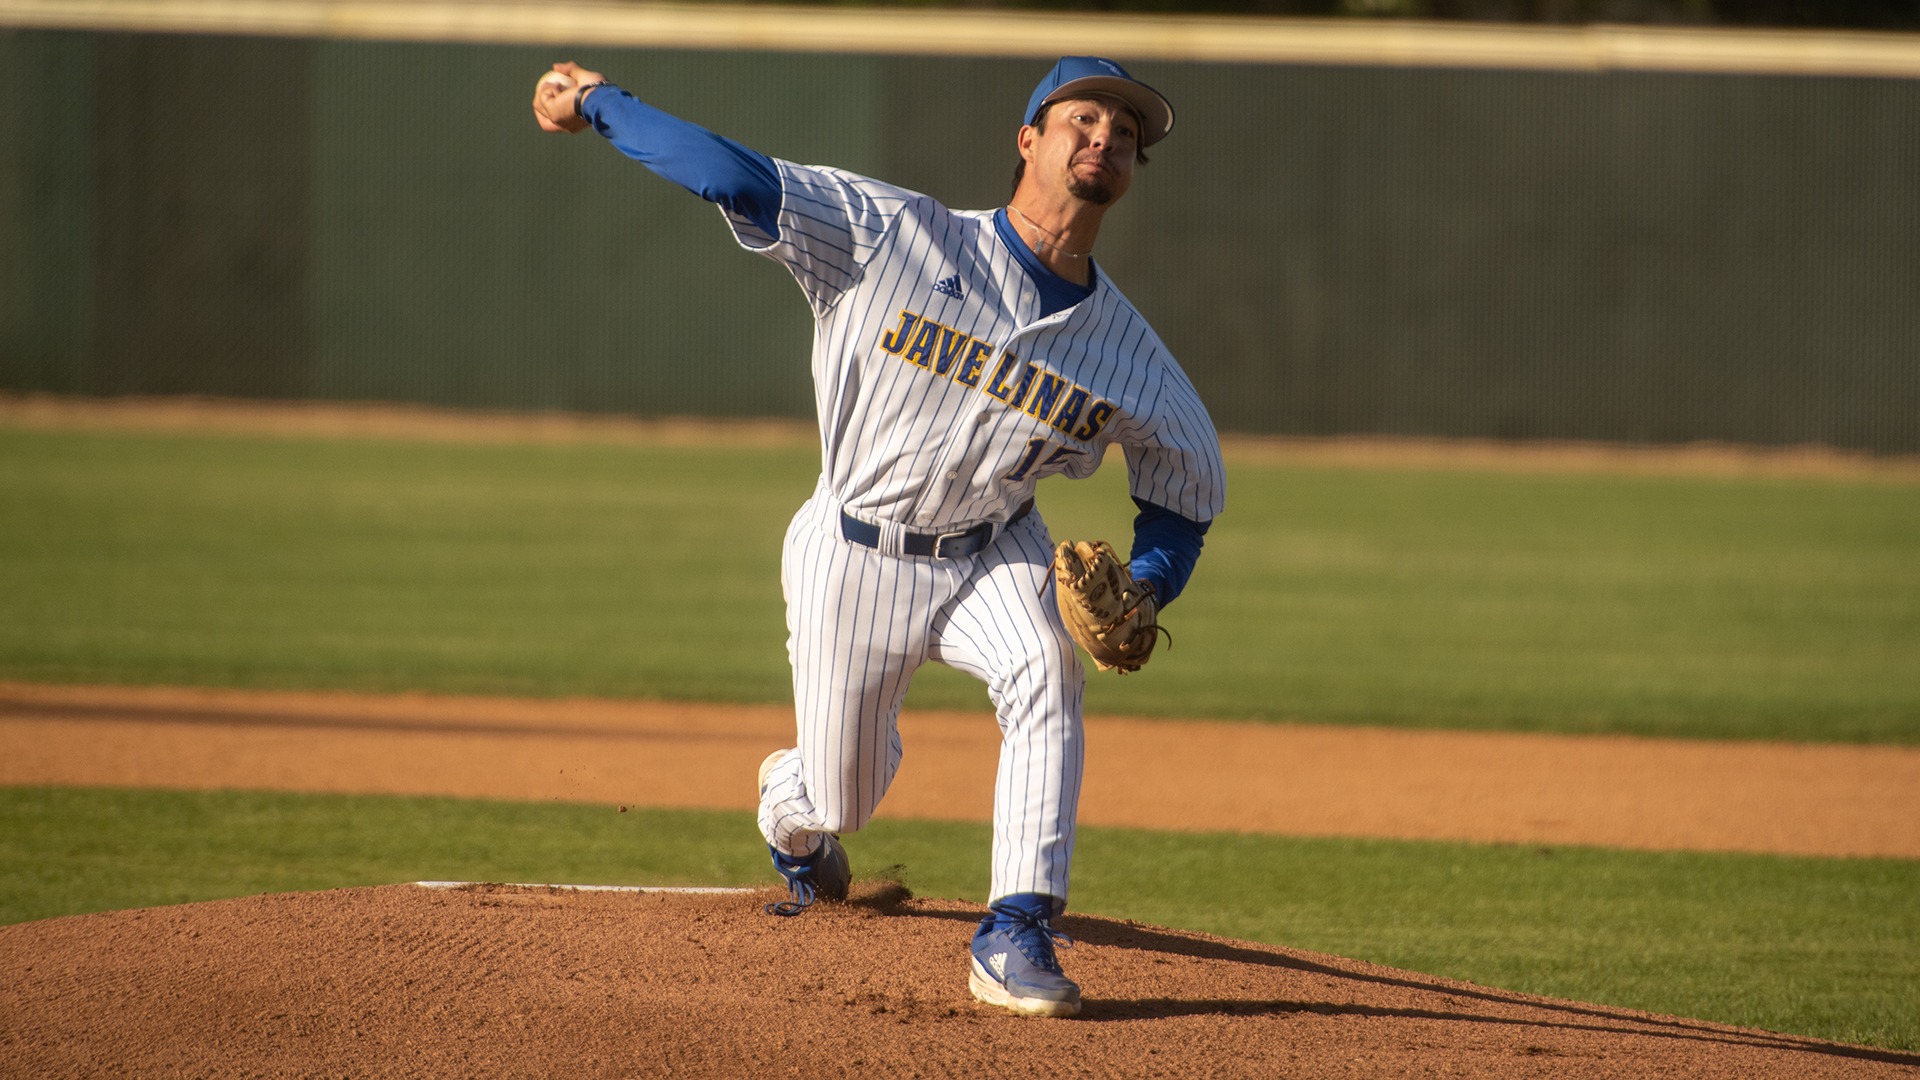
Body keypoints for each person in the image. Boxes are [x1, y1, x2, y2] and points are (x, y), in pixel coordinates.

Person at [534, 55, 1224, 1018]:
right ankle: (792, 812)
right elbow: (734, 176)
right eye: (1084, 118)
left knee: (1047, 669)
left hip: (997, 548)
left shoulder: (1130, 354)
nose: (1107, 135)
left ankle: (1017, 929)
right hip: (854, 552)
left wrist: (1147, 583)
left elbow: (1185, 492)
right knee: (842, 797)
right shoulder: (892, 232)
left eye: (1127, 131)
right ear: (1028, 139)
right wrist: (599, 103)